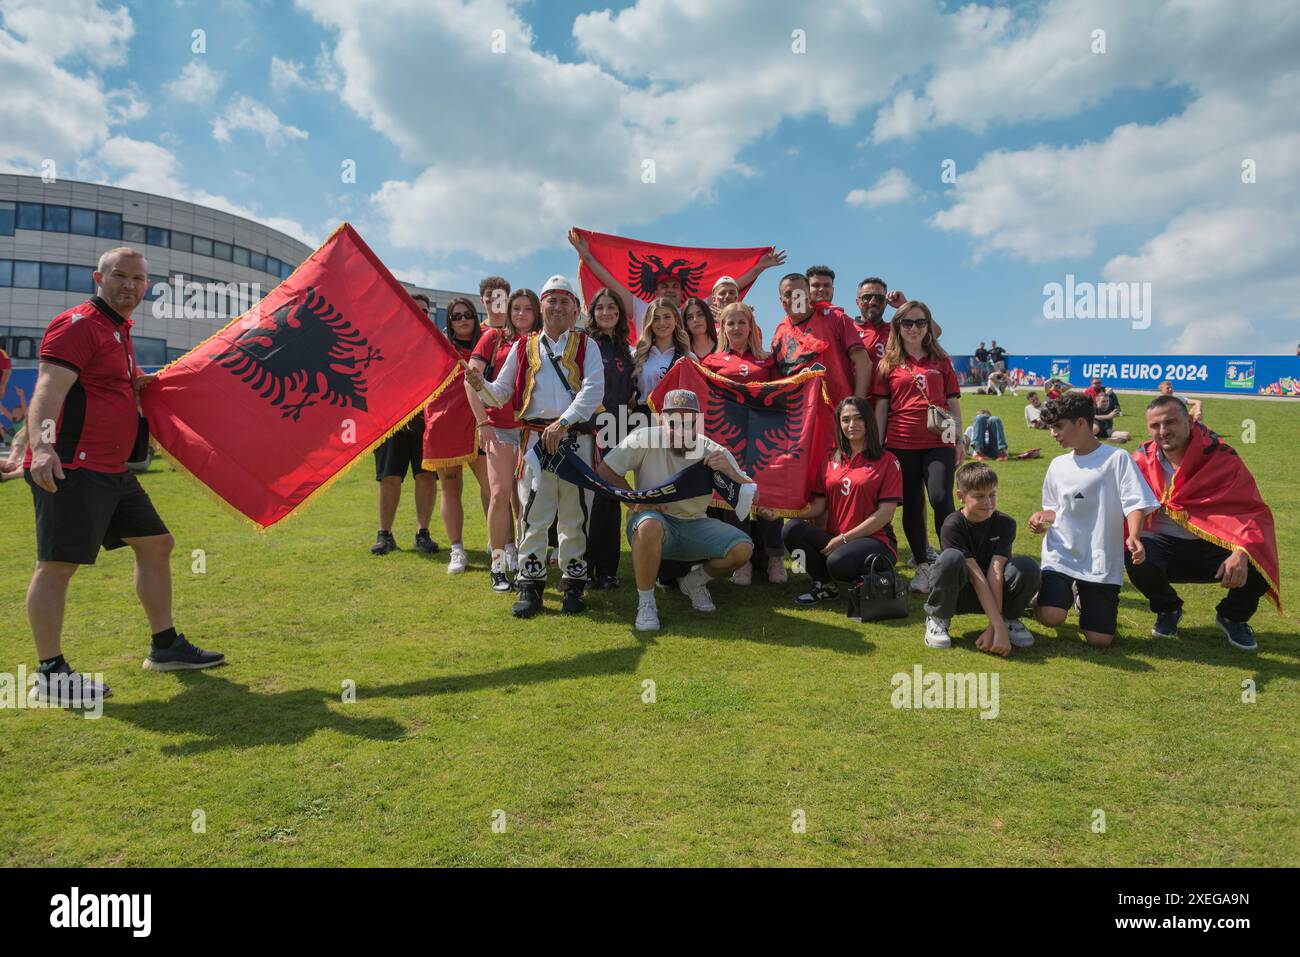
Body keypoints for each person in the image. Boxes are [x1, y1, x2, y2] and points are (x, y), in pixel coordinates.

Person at [0, 247, 224, 703]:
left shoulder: (118, 331)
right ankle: (50, 675)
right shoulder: (79, 324)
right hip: (72, 466)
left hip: (112, 469)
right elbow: (48, 388)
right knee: (57, 566)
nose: (130, 285)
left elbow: (114, 387)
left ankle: (165, 647)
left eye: (139, 279)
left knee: (157, 544)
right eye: (119, 276)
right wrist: (41, 448)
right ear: (97, 278)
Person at [465, 274, 604, 618]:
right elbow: (500, 393)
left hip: (575, 439)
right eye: (552, 300)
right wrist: (479, 383)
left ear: (575, 309)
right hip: (535, 441)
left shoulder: (587, 345)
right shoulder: (523, 346)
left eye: (564, 301)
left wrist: (564, 422)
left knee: (575, 515)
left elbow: (594, 390)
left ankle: (573, 584)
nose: (557, 307)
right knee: (533, 514)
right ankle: (531, 584)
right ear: (542, 306)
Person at [1125, 395, 1278, 651]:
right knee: (1136, 556)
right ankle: (1168, 610)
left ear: (1189, 420)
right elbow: (1118, 501)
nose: (1163, 431)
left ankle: (1233, 617)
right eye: (1155, 426)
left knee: (1258, 560)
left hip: (1214, 547)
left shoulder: (1221, 456)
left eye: (1170, 422)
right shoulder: (1140, 459)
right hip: (1163, 546)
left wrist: (1241, 551)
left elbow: (1251, 510)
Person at [598, 389, 754, 631]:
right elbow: (605, 471)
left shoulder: (711, 449)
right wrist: (638, 501)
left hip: (695, 524)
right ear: (662, 420)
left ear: (698, 422)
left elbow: (753, 494)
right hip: (653, 522)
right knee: (649, 524)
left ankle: (695, 582)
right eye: (674, 423)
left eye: (690, 423)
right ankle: (646, 603)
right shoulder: (644, 438)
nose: (682, 430)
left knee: (742, 549)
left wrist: (732, 473)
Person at [1028, 392, 1158, 648]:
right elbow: (1055, 510)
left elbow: (1136, 503)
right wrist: (1043, 516)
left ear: (1081, 423)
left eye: (1058, 426)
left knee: (1100, 640)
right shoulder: (1057, 465)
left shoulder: (1116, 458)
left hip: (1101, 558)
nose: (1053, 433)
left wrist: (1133, 536)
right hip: (1061, 553)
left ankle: (1082, 600)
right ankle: (1030, 601)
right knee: (1052, 616)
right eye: (1051, 427)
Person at [871, 301, 963, 594]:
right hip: (900, 443)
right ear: (897, 326)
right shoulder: (887, 364)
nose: (913, 328)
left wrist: (958, 439)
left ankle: (951, 564)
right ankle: (923, 565)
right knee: (911, 503)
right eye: (907, 323)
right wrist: (879, 445)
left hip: (939, 441)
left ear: (928, 326)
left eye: (920, 322)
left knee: (940, 498)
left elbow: (953, 404)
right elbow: (882, 409)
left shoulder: (941, 360)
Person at [772, 396, 901, 604]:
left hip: (876, 541)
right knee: (791, 530)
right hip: (837, 540)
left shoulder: (888, 461)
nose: (852, 425)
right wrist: (781, 513)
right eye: (846, 419)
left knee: (837, 563)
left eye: (858, 418)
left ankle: (874, 576)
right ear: (839, 424)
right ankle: (825, 585)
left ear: (869, 421)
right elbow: (817, 507)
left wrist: (844, 539)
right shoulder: (829, 460)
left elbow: (884, 515)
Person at [701, 302, 784, 584]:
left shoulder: (767, 360)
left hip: (764, 440)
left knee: (767, 494)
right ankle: (743, 559)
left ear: (751, 326)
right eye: (730, 323)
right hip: (728, 439)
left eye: (741, 322)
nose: (736, 328)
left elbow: (784, 395)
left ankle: (775, 557)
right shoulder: (711, 363)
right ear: (722, 328)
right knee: (735, 496)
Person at [568, 228, 785, 335]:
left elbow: (727, 288)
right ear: (654, 291)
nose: (670, 290)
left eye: (675, 286)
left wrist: (759, 268)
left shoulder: (692, 312)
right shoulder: (639, 306)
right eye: (665, 286)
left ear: (683, 293)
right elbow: (611, 282)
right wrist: (587, 256)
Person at [923, 462, 1041, 653]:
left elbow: (996, 569)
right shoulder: (952, 525)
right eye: (979, 496)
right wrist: (998, 629)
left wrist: (995, 626)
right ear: (961, 497)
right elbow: (975, 575)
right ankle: (939, 616)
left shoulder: (1006, 523)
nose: (988, 502)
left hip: (993, 592)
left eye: (992, 494)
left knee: (1027, 566)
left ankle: (1008, 619)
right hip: (959, 592)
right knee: (950, 559)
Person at [470, 287, 541, 591]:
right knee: (499, 495)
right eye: (516, 308)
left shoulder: (544, 341)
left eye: (527, 308)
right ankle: (498, 566)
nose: (521, 314)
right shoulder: (493, 337)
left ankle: (527, 562)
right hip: (499, 428)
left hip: (532, 429)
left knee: (530, 500)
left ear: (536, 312)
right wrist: (482, 421)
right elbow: (471, 381)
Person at [422, 296, 491, 574]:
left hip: (482, 422)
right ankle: (457, 550)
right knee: (451, 489)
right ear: (449, 322)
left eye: (468, 315)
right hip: (447, 423)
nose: (463, 320)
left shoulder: (488, 342)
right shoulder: (438, 348)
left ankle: (496, 542)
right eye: (456, 316)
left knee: (494, 488)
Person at [369, 292, 439, 557]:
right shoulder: (385, 341)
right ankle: (384, 534)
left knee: (426, 477)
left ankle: (423, 533)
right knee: (389, 477)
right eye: (414, 309)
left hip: (427, 422)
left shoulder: (436, 343)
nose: (419, 314)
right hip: (392, 422)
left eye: (424, 311)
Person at [584, 288, 636, 590]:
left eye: (611, 307)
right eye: (600, 307)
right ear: (592, 313)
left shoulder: (624, 348)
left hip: (616, 429)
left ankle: (607, 569)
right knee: (586, 498)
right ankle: (583, 566)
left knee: (609, 499)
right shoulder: (585, 343)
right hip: (589, 428)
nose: (606, 312)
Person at [770, 272, 869, 405]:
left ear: (809, 295)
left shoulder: (835, 318)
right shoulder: (779, 334)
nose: (795, 298)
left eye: (799, 293)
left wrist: (857, 405)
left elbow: (863, 362)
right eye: (788, 294)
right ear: (781, 300)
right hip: (800, 414)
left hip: (838, 411)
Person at [631, 297, 691, 412]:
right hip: (643, 421)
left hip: (677, 423)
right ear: (649, 322)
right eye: (656, 318)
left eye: (667, 317)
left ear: (676, 319)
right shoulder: (636, 356)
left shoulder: (688, 357)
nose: (662, 323)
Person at [851, 277, 907, 387]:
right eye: (866, 297)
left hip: (890, 400)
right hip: (856, 400)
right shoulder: (846, 329)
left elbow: (933, 332)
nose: (873, 302)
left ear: (886, 303)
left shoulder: (895, 330)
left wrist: (904, 305)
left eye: (879, 298)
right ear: (858, 302)